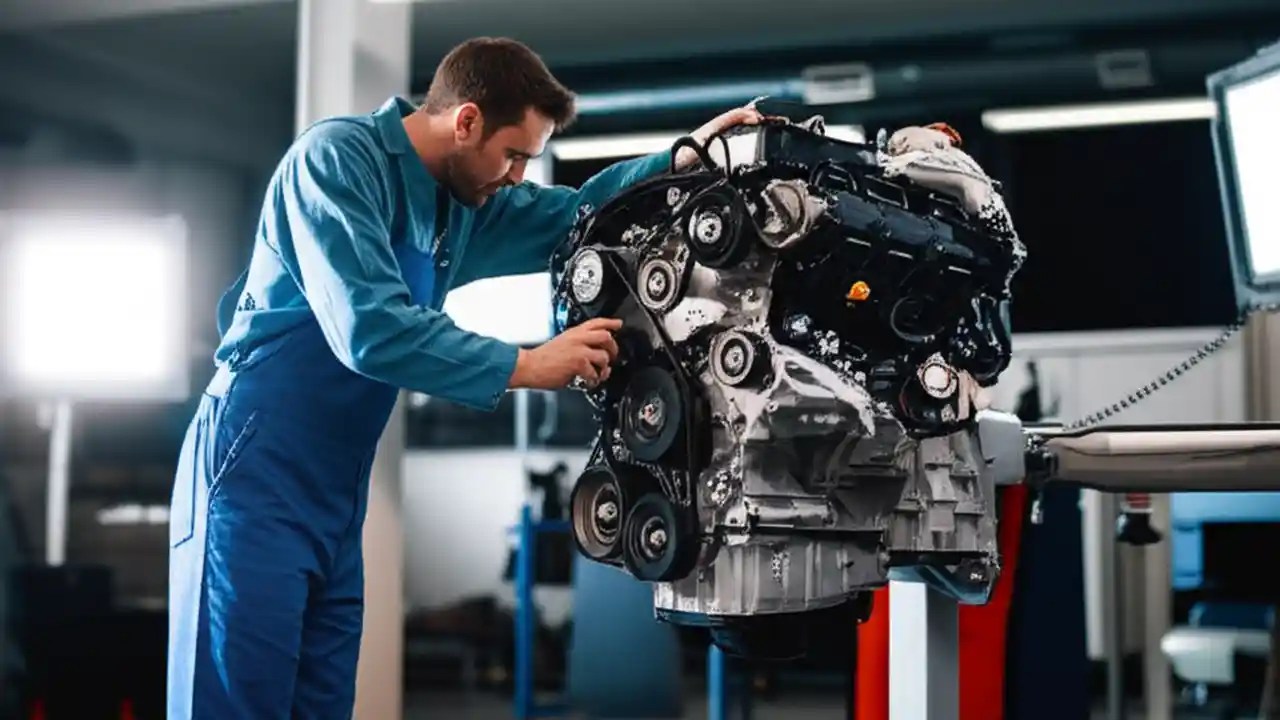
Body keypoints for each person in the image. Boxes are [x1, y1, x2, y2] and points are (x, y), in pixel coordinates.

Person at [166, 36, 763, 718]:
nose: (516, 176)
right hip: (251, 468)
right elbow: (371, 328)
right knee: (235, 700)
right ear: (467, 121)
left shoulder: (460, 206)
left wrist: (676, 164)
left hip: (335, 486)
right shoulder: (335, 163)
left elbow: (577, 214)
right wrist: (529, 363)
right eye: (513, 155)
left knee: (320, 701)